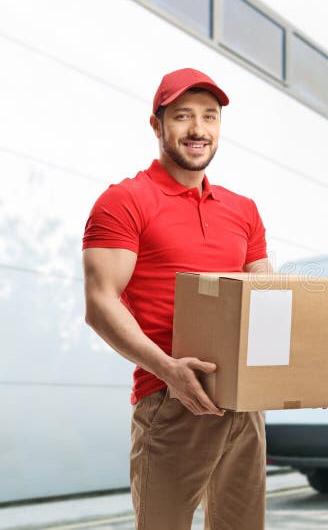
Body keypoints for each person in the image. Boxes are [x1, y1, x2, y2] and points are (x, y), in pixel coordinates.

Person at [82, 68, 272, 529]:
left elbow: (267, 299)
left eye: (210, 117)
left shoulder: (243, 210)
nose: (198, 129)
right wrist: (169, 369)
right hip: (169, 396)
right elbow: (100, 304)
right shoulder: (125, 200)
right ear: (156, 126)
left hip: (243, 405)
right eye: (183, 116)